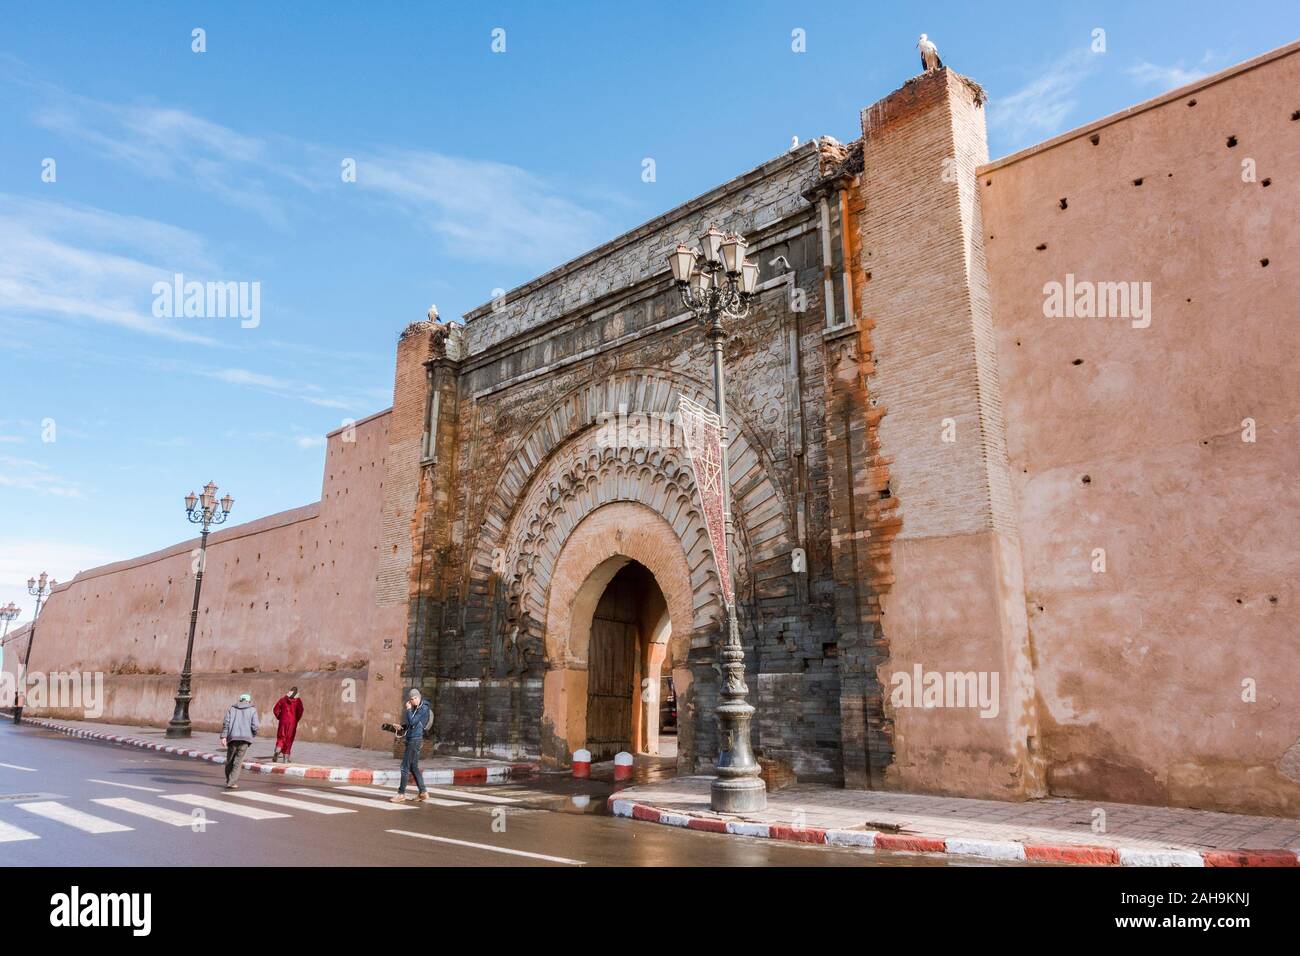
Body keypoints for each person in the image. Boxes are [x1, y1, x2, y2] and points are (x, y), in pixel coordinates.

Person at [391, 688, 431, 803]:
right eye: (411, 699)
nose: (412, 701)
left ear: (418, 698)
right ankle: (423, 792)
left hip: (415, 740)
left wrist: (408, 710)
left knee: (404, 767)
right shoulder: (415, 708)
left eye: (413, 699)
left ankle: (401, 794)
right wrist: (402, 727)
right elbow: (411, 724)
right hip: (412, 739)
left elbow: (413, 722)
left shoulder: (423, 708)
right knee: (413, 767)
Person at [219, 693, 259, 790]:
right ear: (249, 701)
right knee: (238, 762)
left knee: (230, 760)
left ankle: (229, 780)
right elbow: (255, 726)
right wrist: (253, 734)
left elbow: (226, 723)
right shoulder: (252, 710)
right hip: (245, 739)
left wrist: (223, 737)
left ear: (240, 700)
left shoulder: (232, 708)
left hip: (233, 738)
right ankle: (231, 782)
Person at [272, 686, 304, 763]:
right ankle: (285, 758)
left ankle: (278, 749)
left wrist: (280, 717)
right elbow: (300, 711)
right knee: (289, 739)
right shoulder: (298, 701)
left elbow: (275, 710)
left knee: (281, 737)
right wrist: (296, 720)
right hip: (292, 722)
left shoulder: (283, 699)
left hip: (283, 721)